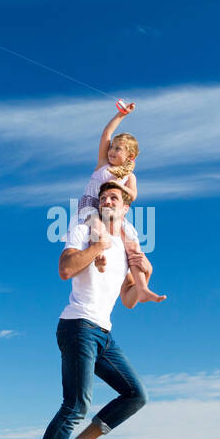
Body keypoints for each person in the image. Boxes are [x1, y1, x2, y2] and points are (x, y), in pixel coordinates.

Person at [28, 181, 151, 439]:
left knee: (136, 395)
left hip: (103, 332)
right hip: (77, 324)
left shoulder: (126, 246)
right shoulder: (84, 231)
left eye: (115, 198)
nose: (108, 201)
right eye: (104, 197)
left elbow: (128, 300)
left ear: (125, 208)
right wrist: (97, 247)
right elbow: (65, 269)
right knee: (76, 404)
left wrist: (144, 277)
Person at [78, 99, 165, 303]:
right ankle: (99, 258)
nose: (111, 151)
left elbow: (132, 196)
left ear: (130, 156)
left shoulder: (129, 177)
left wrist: (120, 186)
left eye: (118, 149)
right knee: (96, 228)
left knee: (132, 245)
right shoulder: (103, 165)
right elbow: (105, 135)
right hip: (92, 204)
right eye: (112, 147)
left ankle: (142, 287)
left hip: (115, 213)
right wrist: (121, 115)